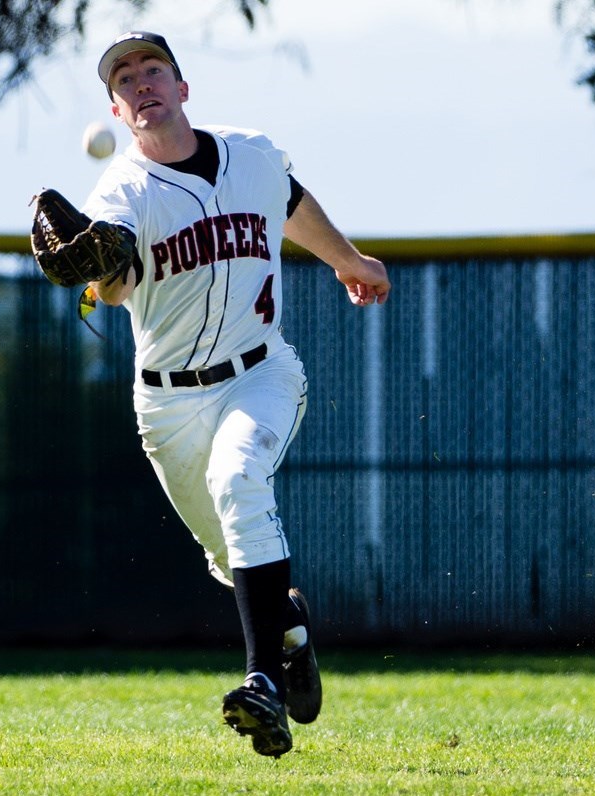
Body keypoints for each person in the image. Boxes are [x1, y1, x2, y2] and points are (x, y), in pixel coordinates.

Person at [81, 31, 391, 758]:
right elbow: (112, 276)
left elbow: (289, 199)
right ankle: (287, 630)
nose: (141, 82)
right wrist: (96, 266)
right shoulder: (119, 192)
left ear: (183, 89)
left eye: (153, 68)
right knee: (230, 556)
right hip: (166, 405)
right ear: (119, 111)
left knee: (239, 480)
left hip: (261, 373)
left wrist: (348, 260)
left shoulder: (251, 151)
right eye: (125, 79)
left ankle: (263, 683)